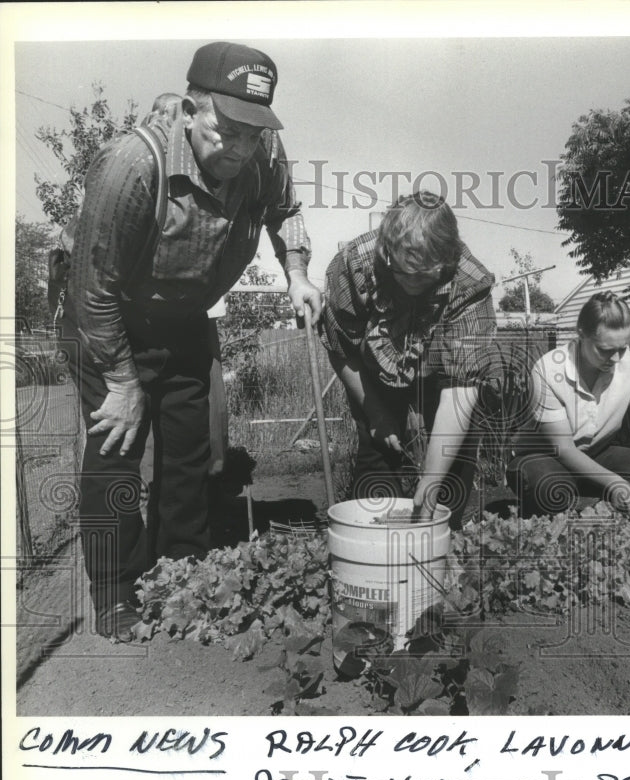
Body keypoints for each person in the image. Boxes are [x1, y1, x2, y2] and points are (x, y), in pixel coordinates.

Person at [62, 42, 323, 641]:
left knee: (187, 450)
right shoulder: (133, 164)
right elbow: (92, 290)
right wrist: (123, 382)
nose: (240, 148)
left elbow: (286, 210)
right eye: (226, 131)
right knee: (116, 449)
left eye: (253, 134)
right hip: (106, 319)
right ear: (188, 110)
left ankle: (182, 572)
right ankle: (115, 591)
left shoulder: (263, 151)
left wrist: (298, 272)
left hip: (181, 317)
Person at [321, 192, 500, 529]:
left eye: (424, 275)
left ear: (447, 258)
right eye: (404, 273)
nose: (412, 284)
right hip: (375, 370)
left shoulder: (469, 281)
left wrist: (430, 482)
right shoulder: (355, 263)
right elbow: (341, 347)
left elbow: (461, 389)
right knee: (377, 451)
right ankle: (372, 536)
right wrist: (377, 415)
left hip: (444, 375)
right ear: (387, 252)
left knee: (451, 466)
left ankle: (444, 535)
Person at [507, 292, 630, 525]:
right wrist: (614, 481)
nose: (615, 359)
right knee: (549, 485)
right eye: (604, 349)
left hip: (594, 453)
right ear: (581, 334)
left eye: (622, 348)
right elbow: (564, 449)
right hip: (543, 456)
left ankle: (599, 514)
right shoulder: (549, 369)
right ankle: (541, 519)